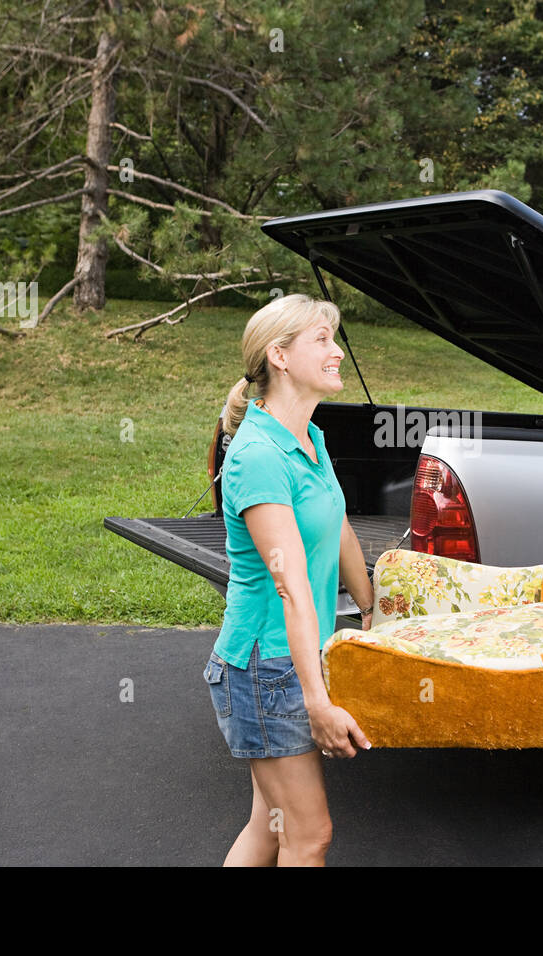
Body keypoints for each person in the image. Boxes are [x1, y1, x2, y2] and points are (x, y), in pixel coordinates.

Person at [202, 293, 375, 867]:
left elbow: (339, 524)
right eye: (322, 341)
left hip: (287, 662)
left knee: (269, 826)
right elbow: (291, 586)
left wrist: (371, 607)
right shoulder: (258, 455)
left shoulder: (308, 437)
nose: (337, 353)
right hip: (266, 669)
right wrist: (317, 699)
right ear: (279, 355)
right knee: (309, 836)